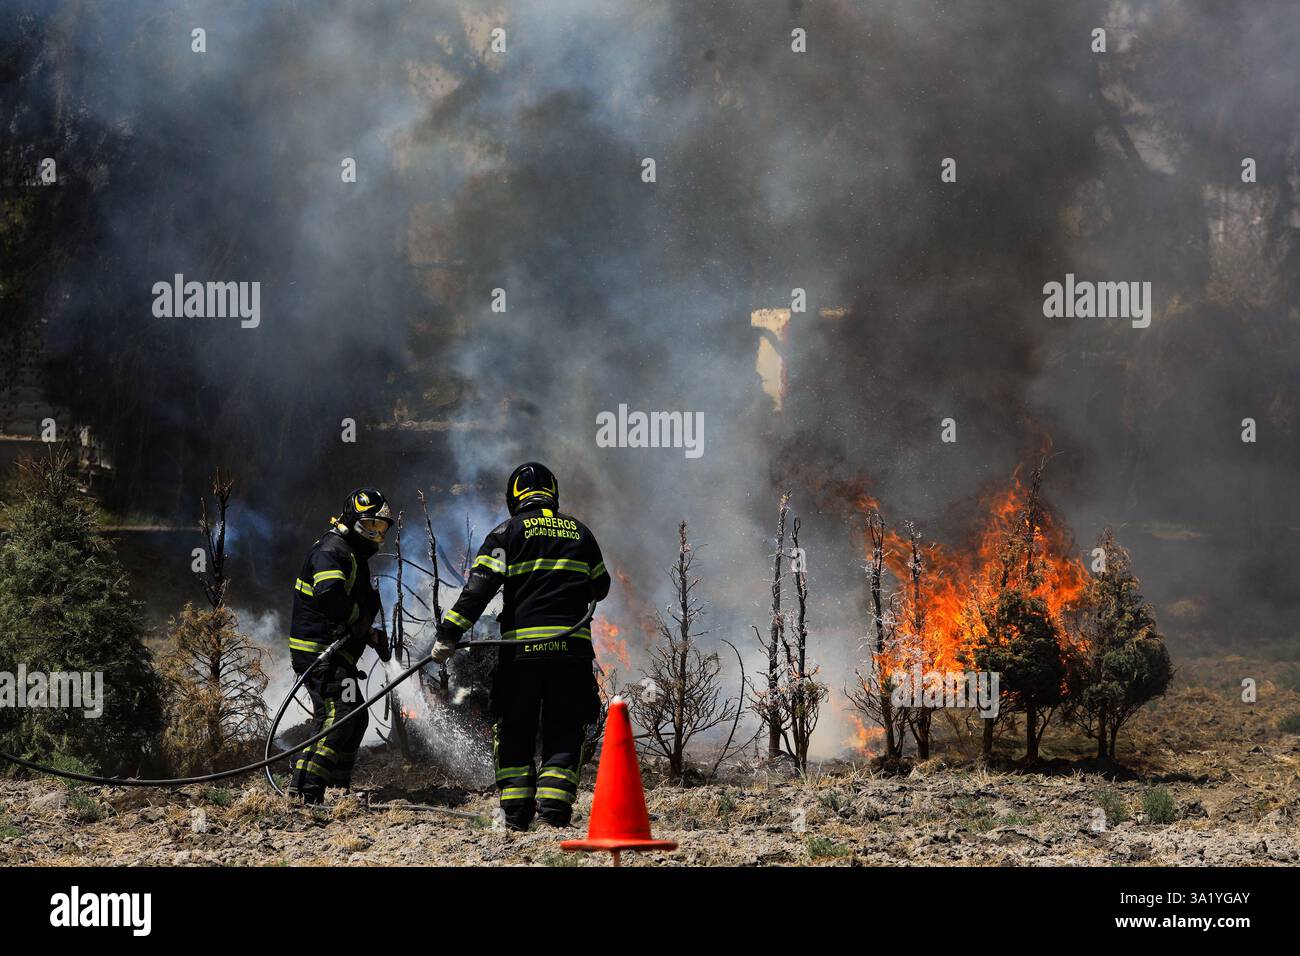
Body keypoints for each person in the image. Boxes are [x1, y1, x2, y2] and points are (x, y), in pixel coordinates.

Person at [431, 463, 610, 829]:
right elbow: (601, 587)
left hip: (522, 653)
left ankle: (516, 816)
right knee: (565, 729)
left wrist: (448, 634)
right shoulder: (581, 533)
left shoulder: (505, 533)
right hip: (571, 654)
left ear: (514, 496)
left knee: (515, 729)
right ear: (553, 492)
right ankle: (554, 815)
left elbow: (477, 592)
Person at [285, 488, 392, 804]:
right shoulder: (332, 551)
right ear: (353, 521)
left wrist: (369, 634)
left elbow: (349, 608)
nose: (375, 533)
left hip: (334, 649)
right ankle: (306, 789)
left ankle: (337, 787)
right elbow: (330, 597)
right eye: (370, 525)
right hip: (319, 652)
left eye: (381, 528)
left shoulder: (351, 552)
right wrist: (361, 621)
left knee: (355, 715)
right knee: (339, 713)